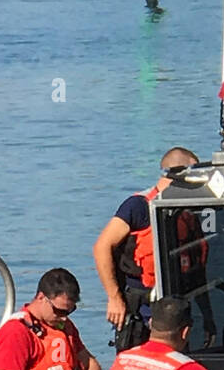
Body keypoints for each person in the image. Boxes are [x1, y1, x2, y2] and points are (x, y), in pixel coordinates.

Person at [92, 147, 215, 352]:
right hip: (141, 305)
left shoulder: (188, 212)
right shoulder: (138, 206)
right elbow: (102, 246)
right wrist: (114, 298)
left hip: (176, 306)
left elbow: (198, 271)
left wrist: (207, 315)